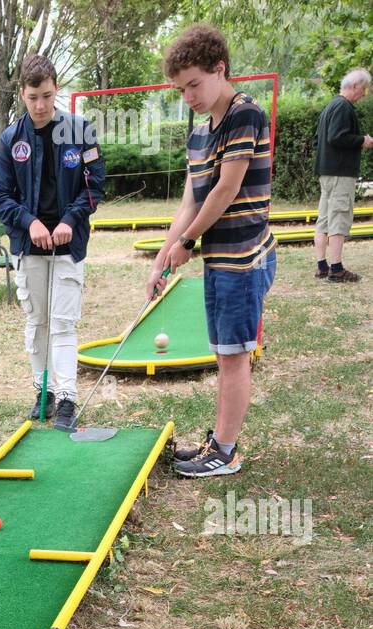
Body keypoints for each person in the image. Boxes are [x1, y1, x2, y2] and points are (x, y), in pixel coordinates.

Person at [151, 24, 277, 479]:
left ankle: (224, 451)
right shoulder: (199, 133)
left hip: (244, 258)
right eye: (181, 89)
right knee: (225, 351)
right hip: (220, 260)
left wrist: (187, 244)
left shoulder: (246, 115)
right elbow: (190, 201)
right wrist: (163, 256)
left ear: (219, 69)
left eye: (194, 85)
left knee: (234, 354)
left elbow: (225, 190)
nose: (189, 96)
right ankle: (219, 443)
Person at [0, 54, 105, 432]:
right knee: (36, 321)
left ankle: (68, 398)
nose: (41, 106)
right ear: (21, 93)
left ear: (57, 89)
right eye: (33, 97)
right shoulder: (10, 140)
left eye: (47, 96)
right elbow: (0, 198)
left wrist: (71, 219)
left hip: (69, 247)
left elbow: (95, 185)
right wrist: (31, 222)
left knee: (63, 323)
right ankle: (44, 392)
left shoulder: (81, 131)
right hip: (28, 247)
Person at [313, 68, 373, 284]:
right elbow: (337, 137)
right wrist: (362, 141)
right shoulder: (343, 107)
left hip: (326, 172)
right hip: (340, 173)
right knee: (339, 217)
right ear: (355, 85)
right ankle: (336, 269)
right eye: (364, 89)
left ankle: (322, 266)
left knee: (325, 218)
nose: (364, 94)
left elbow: (318, 140)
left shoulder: (330, 106)